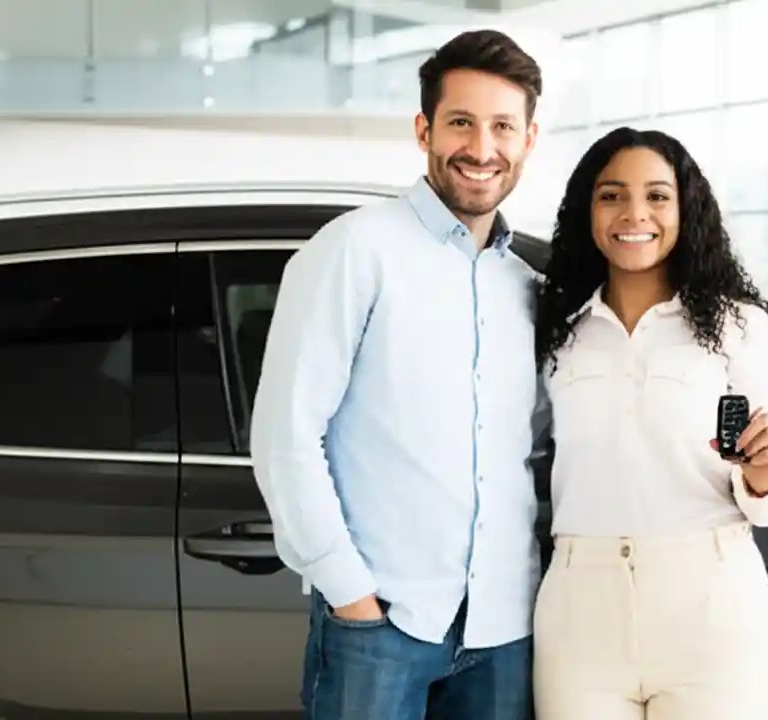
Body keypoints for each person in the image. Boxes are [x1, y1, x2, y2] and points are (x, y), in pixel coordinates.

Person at [249, 29, 544, 720]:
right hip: (380, 625)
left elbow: (540, 448)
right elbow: (286, 436)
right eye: (461, 122)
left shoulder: (528, 288)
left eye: (503, 126)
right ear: (424, 129)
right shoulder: (355, 251)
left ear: (529, 139)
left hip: (503, 628)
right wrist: (350, 593)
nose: (481, 147)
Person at [530, 127, 768, 720]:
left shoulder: (740, 326)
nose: (634, 214)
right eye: (612, 195)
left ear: (685, 209)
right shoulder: (555, 327)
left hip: (711, 604)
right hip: (580, 612)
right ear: (586, 210)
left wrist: (767, 476)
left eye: (656, 196)